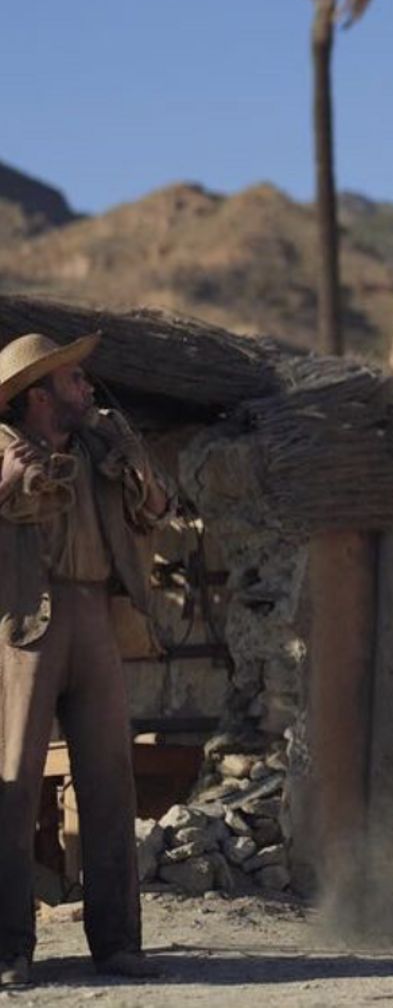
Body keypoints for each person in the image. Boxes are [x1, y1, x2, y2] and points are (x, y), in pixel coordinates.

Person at [0, 333, 169, 987]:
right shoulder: (3, 449)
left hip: (95, 618)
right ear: (39, 395)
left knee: (110, 784)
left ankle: (119, 945)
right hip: (22, 631)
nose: (89, 390)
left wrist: (135, 462)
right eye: (75, 381)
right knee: (12, 789)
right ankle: (11, 949)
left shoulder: (103, 448)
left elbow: (156, 509)